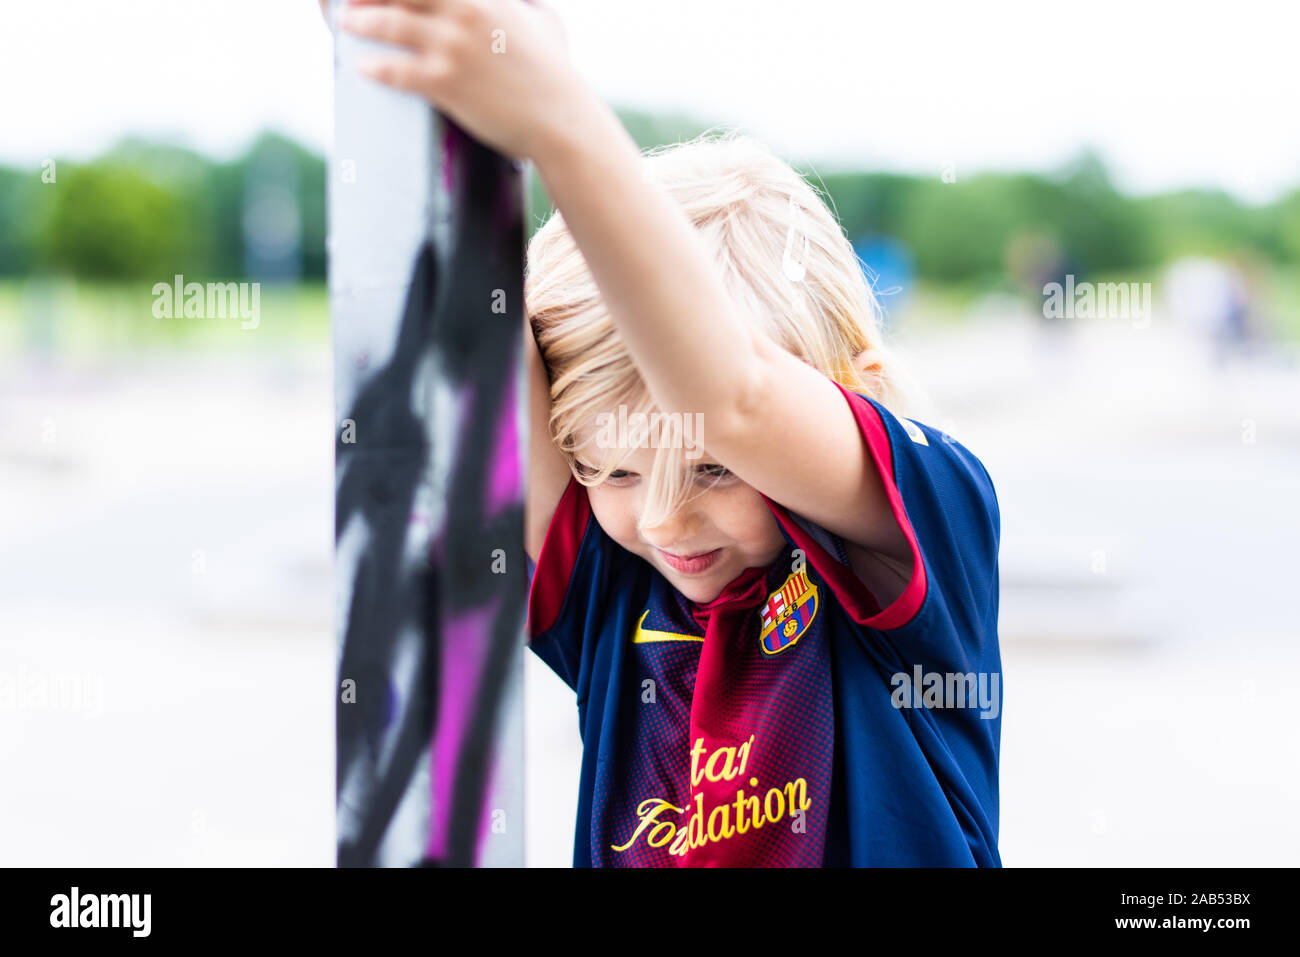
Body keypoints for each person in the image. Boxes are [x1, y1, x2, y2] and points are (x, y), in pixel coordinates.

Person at [338, 0, 1002, 867]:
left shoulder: (921, 536)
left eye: (713, 471)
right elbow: (481, 347)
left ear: (853, 397)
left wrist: (556, 115)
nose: (662, 521)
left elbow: (736, 397)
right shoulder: (613, 591)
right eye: (608, 470)